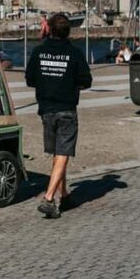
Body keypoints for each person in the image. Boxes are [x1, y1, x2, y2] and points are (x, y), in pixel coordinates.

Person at [25, 13, 92, 219]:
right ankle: (48, 198)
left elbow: (30, 79)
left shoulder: (38, 52)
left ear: (50, 29)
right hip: (66, 109)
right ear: (68, 31)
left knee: (57, 153)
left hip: (46, 109)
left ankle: (65, 195)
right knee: (63, 154)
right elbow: (86, 80)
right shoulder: (74, 54)